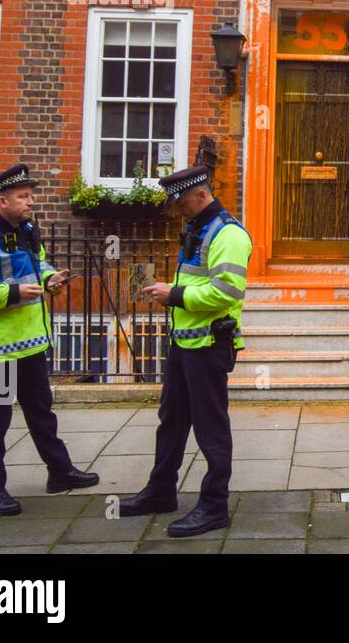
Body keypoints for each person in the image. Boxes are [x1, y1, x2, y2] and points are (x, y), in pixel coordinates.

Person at [0, 164, 100, 516]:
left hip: (31, 342)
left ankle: (59, 472)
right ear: (2, 201)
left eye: (30, 195)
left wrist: (50, 278)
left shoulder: (28, 231)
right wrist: (12, 293)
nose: (31, 202)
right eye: (24, 197)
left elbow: (39, 265)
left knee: (41, 411)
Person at [118, 165, 251, 538]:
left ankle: (214, 506)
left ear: (201, 194)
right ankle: (161, 491)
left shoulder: (228, 234)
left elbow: (226, 292)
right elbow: (198, 282)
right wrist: (170, 292)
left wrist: (173, 294)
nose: (177, 209)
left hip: (209, 344)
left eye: (180, 202)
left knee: (211, 428)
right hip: (185, 341)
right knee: (172, 422)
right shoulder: (199, 228)